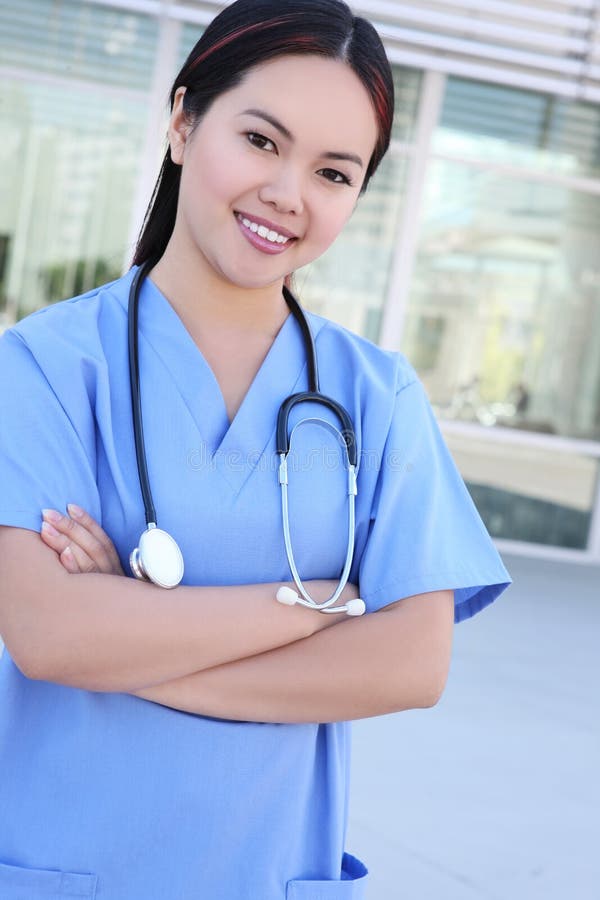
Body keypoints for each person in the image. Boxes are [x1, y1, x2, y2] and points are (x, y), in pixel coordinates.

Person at [0, 1, 512, 897]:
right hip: (66, 861)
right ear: (183, 121)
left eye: (334, 173)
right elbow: (48, 634)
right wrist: (318, 607)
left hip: (267, 873)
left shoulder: (375, 396)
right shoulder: (41, 367)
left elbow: (410, 663)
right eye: (263, 141)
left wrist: (135, 634)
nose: (290, 194)